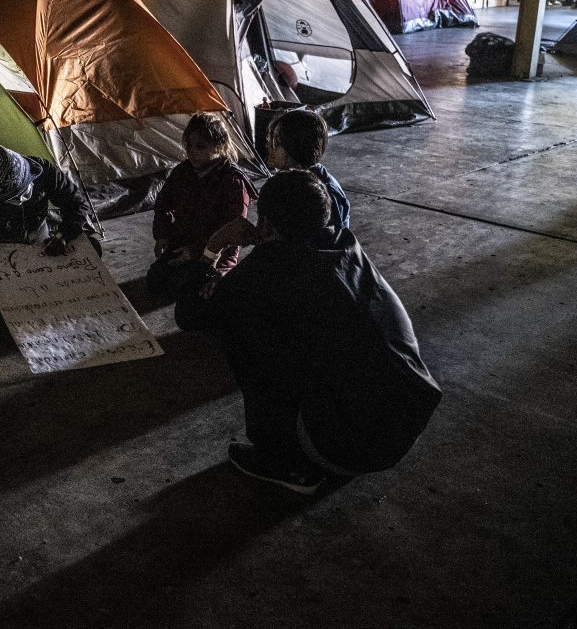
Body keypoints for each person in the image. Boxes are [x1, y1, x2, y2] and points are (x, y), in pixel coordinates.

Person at [176, 170, 442, 494]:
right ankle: (319, 439)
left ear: (268, 226)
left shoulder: (269, 267)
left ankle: (285, 461)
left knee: (238, 329)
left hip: (348, 446)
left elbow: (188, 315)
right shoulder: (345, 244)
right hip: (403, 425)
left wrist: (213, 247)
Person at [0, 142, 97, 312]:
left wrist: (64, 235)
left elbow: (77, 204)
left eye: (24, 192)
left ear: (30, 174)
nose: (21, 200)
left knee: (91, 248)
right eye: (13, 199)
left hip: (41, 244)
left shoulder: (46, 171)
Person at [148, 113, 257, 301]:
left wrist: (197, 251)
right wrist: (162, 235)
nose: (192, 152)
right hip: (182, 244)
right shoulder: (183, 172)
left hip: (216, 255)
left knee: (185, 288)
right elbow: (163, 204)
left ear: (220, 147)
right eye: (189, 145)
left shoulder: (232, 181)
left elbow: (233, 230)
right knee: (155, 282)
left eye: (200, 146)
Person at [265, 108, 350, 229]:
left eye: (276, 142)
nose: (269, 146)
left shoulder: (324, 195)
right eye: (270, 139)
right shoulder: (287, 181)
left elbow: (327, 243)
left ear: (296, 146)